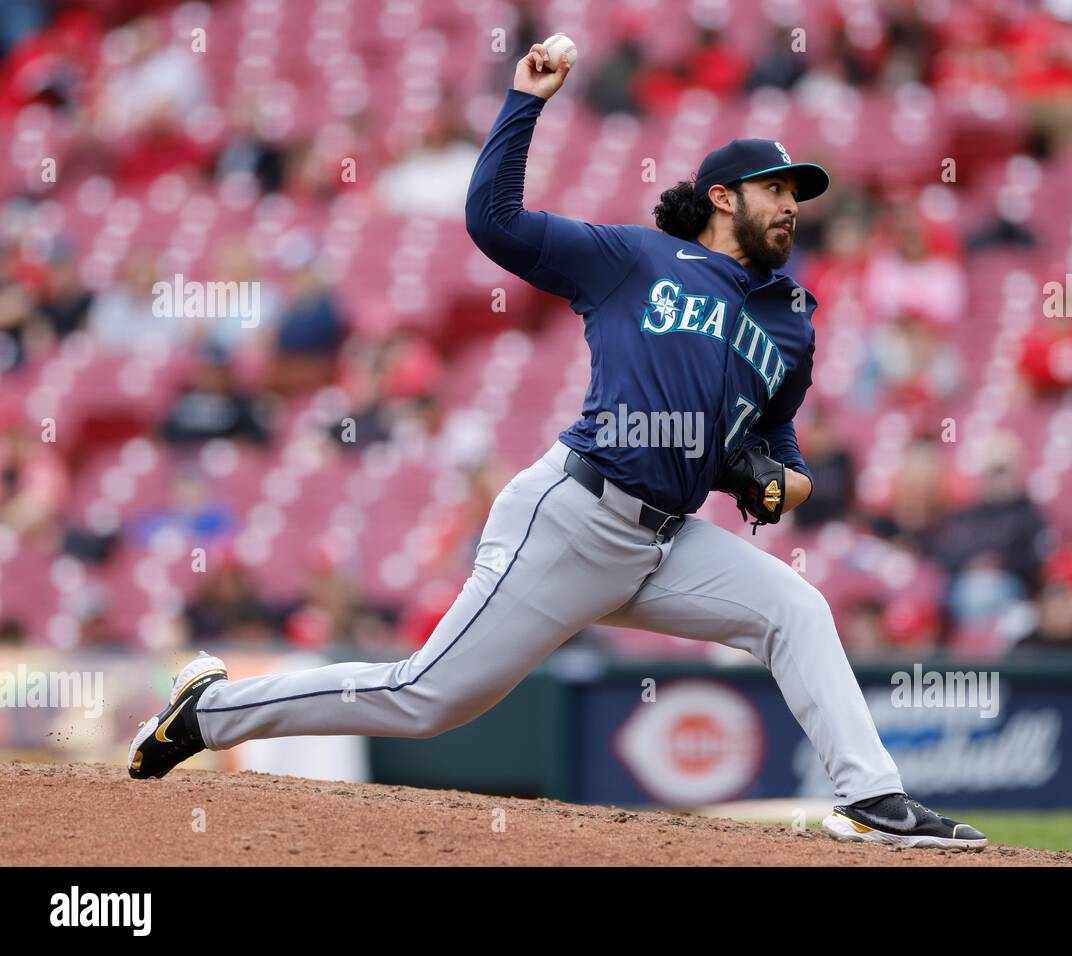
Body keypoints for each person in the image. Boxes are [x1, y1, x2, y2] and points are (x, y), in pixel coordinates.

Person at [126, 38, 985, 851]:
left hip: (667, 542)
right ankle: (212, 708)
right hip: (573, 517)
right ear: (723, 197)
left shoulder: (791, 320)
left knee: (795, 608)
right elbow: (493, 221)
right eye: (776, 188)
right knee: (427, 698)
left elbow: (783, 459)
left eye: (799, 193)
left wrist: (771, 485)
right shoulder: (633, 260)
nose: (793, 204)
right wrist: (524, 103)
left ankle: (870, 799)